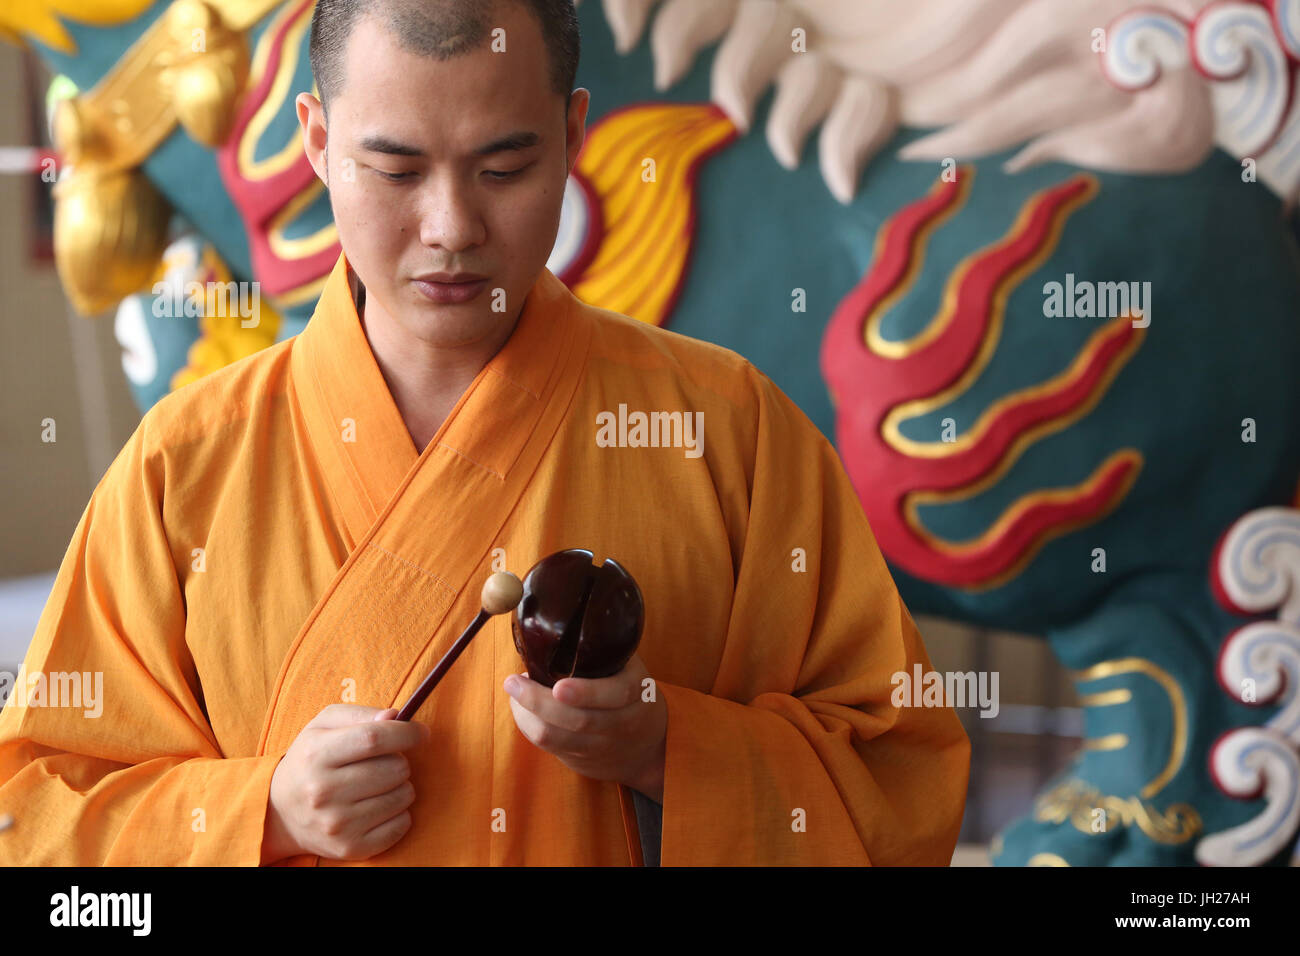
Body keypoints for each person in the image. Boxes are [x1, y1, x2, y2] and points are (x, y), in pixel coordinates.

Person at [0, 0, 969, 865]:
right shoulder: (188, 459)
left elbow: (901, 779)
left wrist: (667, 747)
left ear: (573, 132)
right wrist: (264, 812)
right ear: (316, 142)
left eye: (504, 166)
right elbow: (36, 815)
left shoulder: (724, 428)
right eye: (394, 168)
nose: (451, 225)